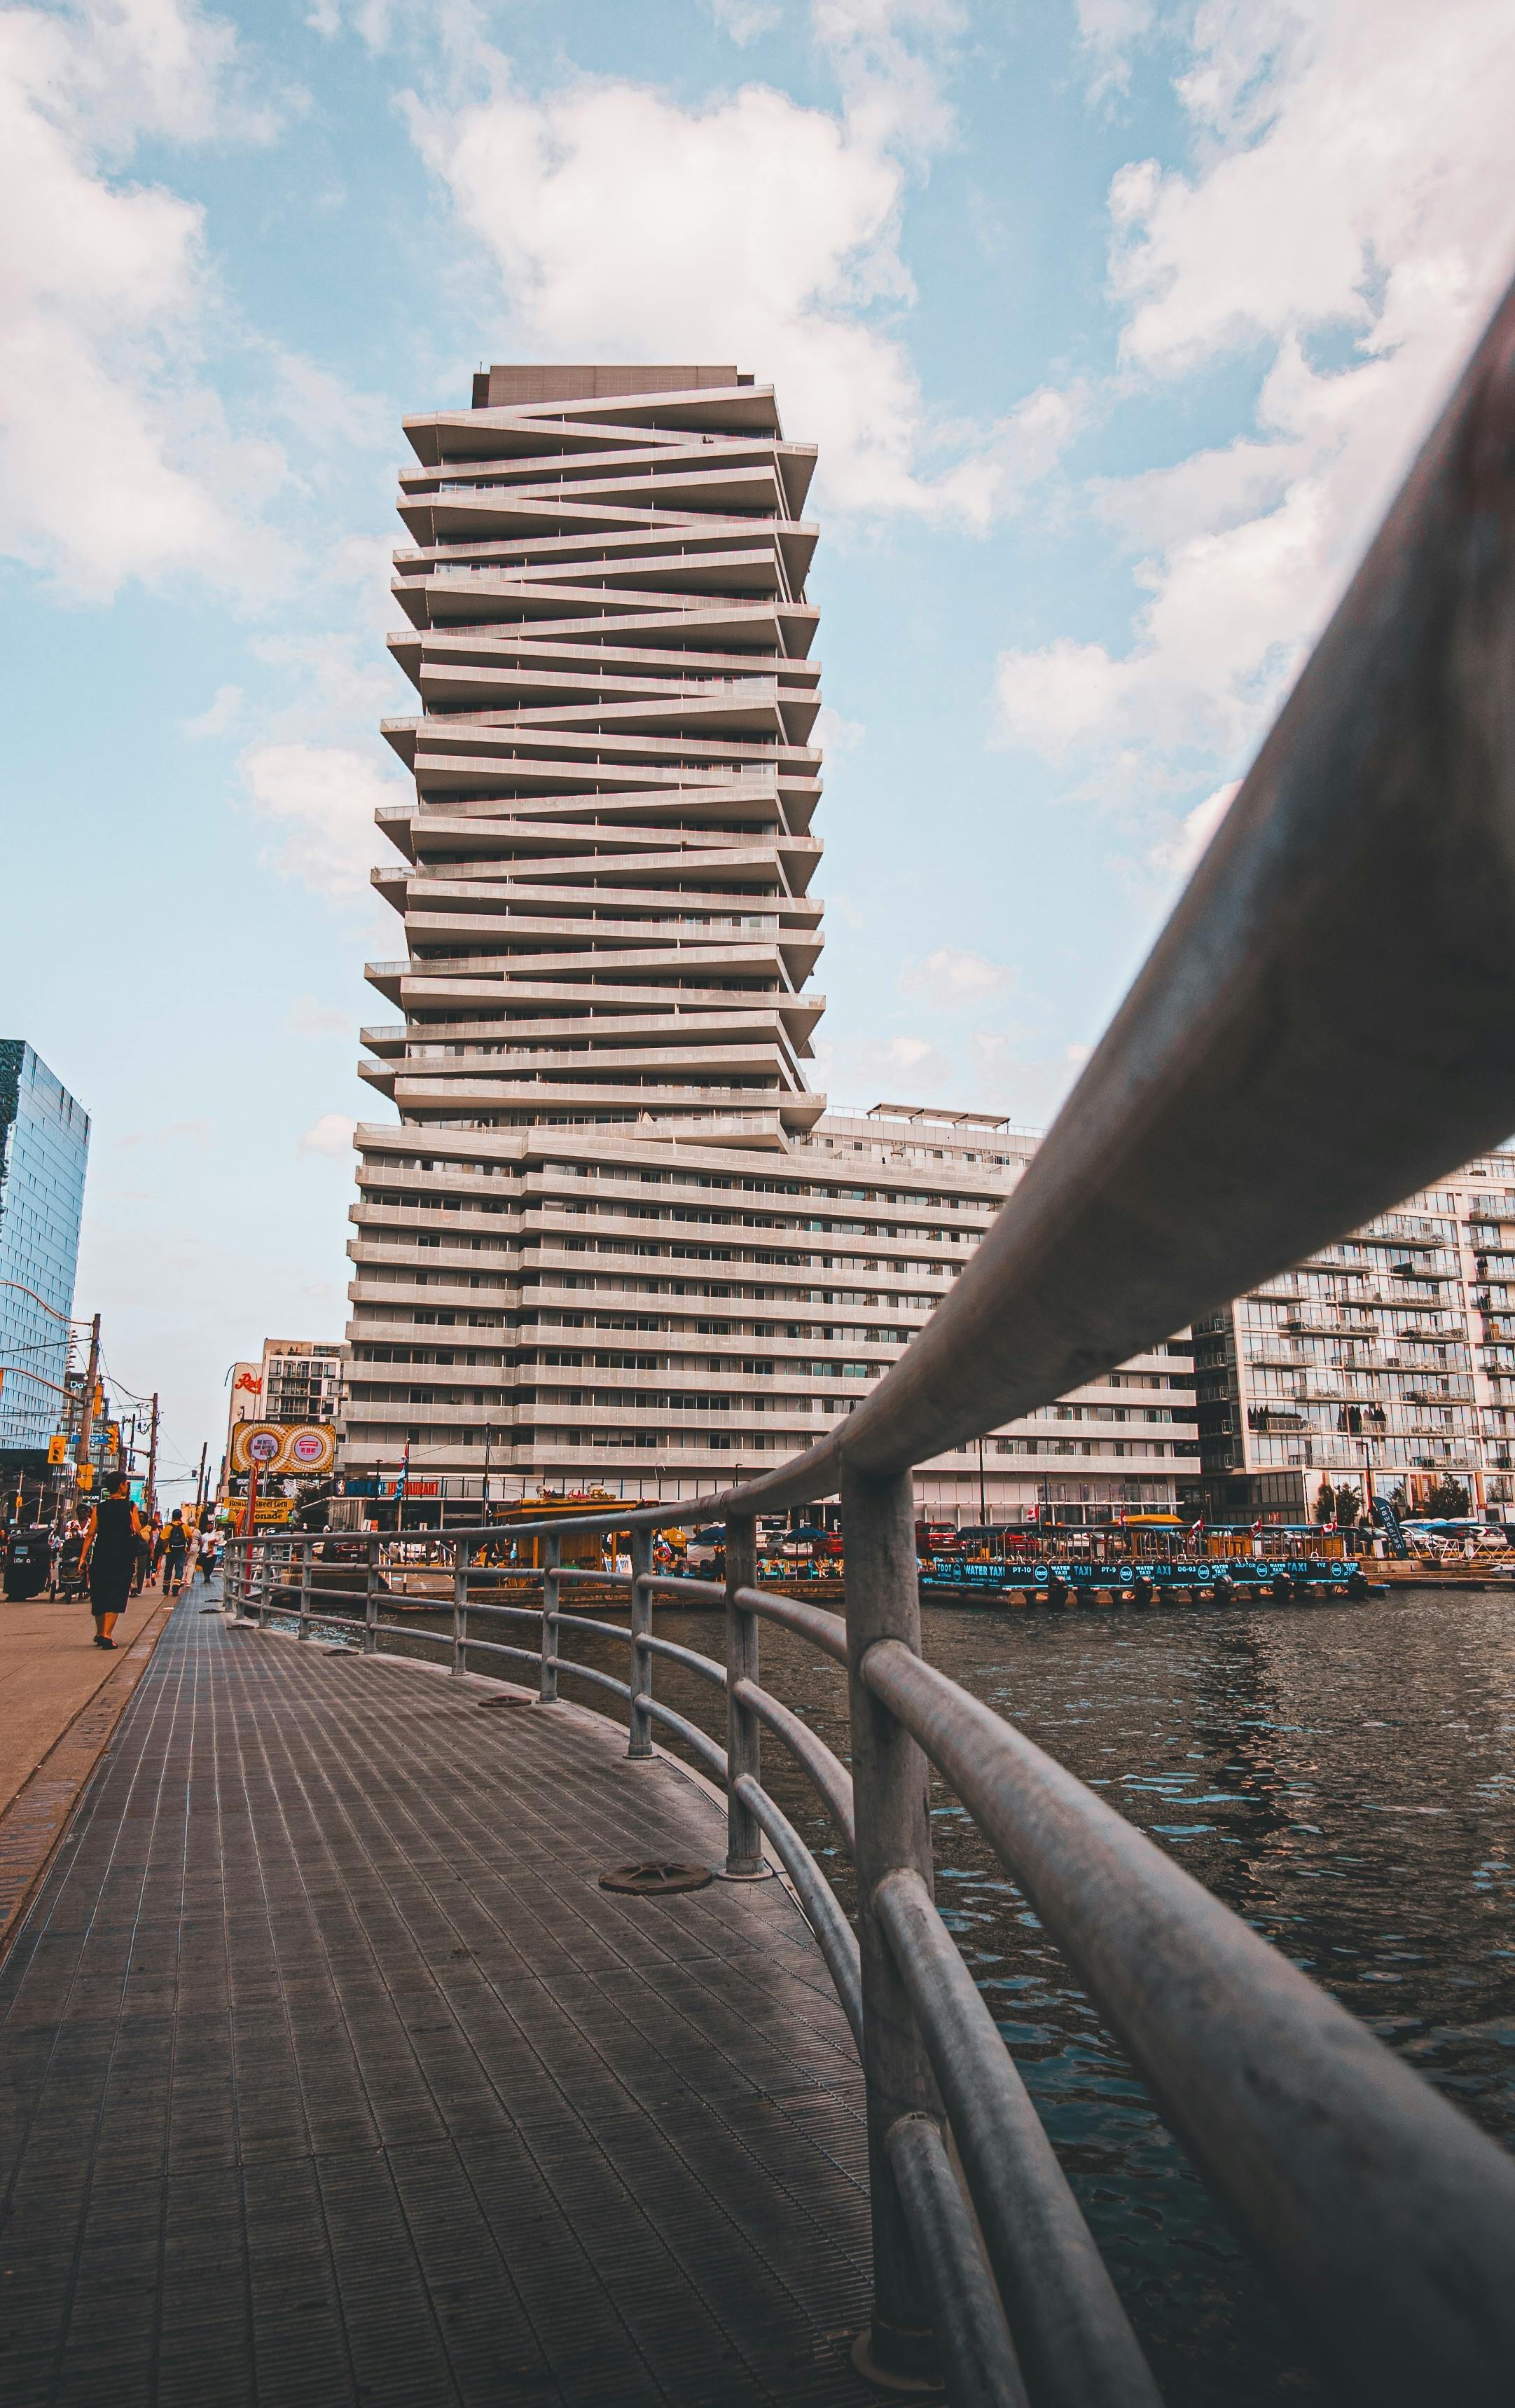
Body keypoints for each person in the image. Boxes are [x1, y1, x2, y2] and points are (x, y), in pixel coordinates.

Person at [79, 1472, 144, 1649]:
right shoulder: (130, 1506)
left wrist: (82, 1558)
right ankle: (108, 1635)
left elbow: (90, 1534)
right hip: (122, 1557)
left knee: (100, 1593)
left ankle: (100, 1633)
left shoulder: (98, 1508)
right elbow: (137, 1529)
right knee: (116, 1594)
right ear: (122, 1485)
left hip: (101, 1555)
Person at [162, 1510, 190, 1596]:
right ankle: (175, 1588)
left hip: (170, 1551)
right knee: (179, 1569)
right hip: (181, 1551)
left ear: (173, 1517)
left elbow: (164, 1539)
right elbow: (190, 1537)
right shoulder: (185, 1527)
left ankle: (166, 1588)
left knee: (168, 1569)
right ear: (181, 1517)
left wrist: (166, 1549)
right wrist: (188, 1547)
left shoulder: (168, 1527)